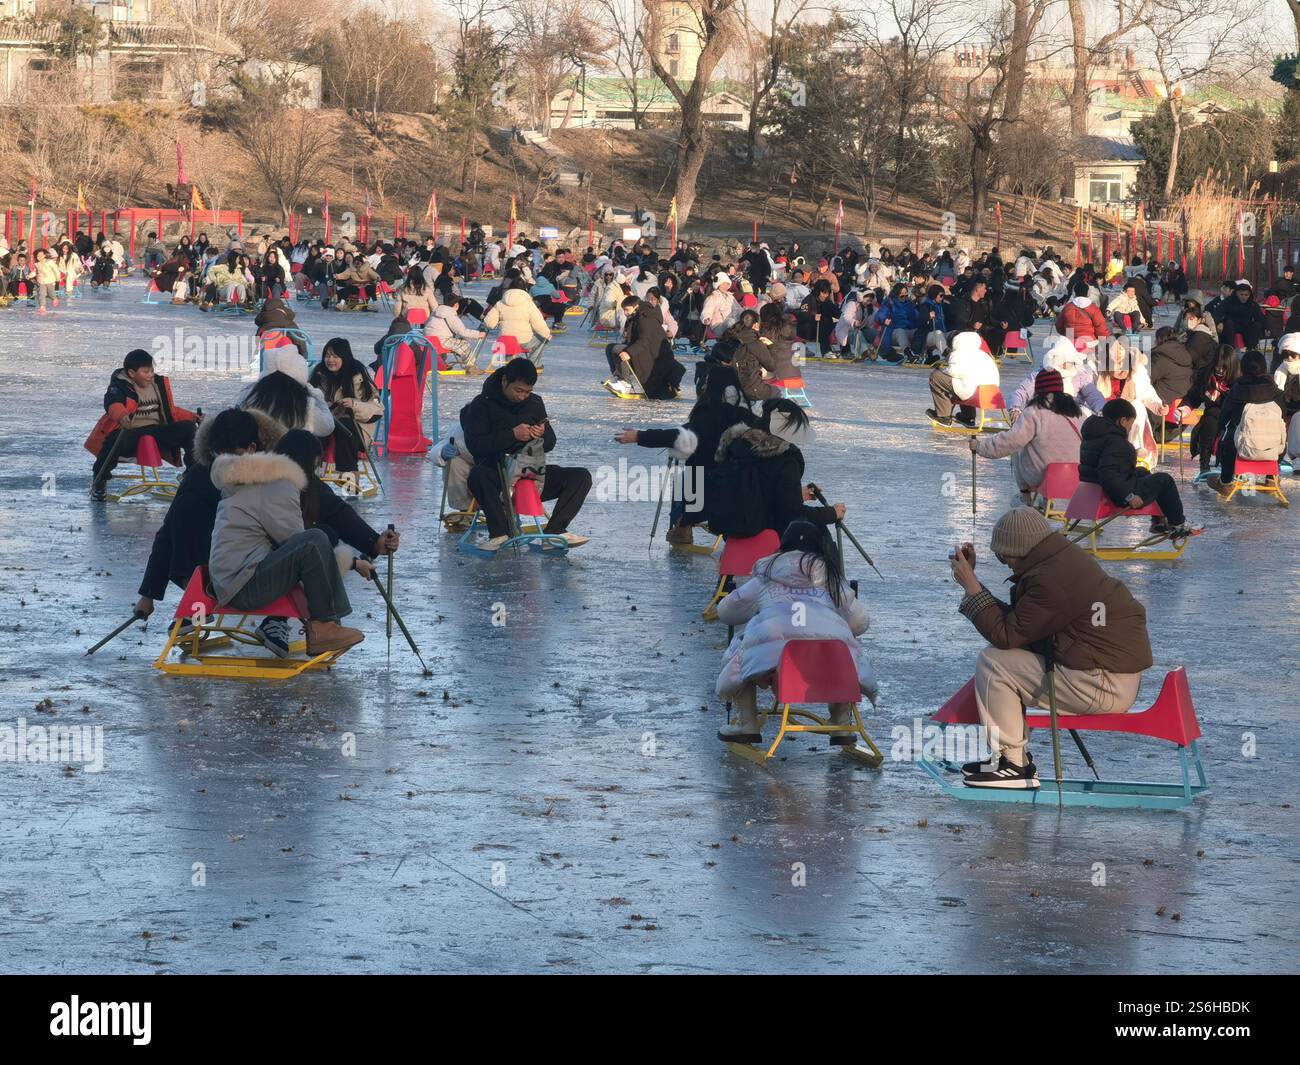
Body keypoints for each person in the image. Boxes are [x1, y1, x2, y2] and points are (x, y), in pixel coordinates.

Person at [948, 506, 1154, 789]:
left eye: (1002, 555)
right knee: (1003, 660)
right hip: (1107, 676)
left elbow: (1006, 635)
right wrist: (974, 584)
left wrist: (972, 589)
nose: (1003, 562)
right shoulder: (1060, 562)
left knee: (994, 662)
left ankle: (1012, 765)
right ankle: (1013, 760)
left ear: (1018, 549)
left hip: (1103, 685)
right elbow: (1024, 625)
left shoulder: (1051, 580)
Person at [715, 521, 877, 745]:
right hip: (829, 663)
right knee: (845, 646)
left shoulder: (766, 575)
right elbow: (860, 622)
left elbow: (726, 613)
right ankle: (841, 722)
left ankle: (747, 723)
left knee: (740, 650)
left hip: (776, 663)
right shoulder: (831, 580)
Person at [208, 430, 365, 655]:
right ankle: (324, 627)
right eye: (316, 464)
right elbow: (295, 540)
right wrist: (349, 561)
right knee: (314, 540)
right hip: (243, 586)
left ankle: (330, 625)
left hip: (234, 578)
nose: (318, 471)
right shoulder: (279, 486)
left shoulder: (260, 481)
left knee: (317, 537)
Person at [459, 358, 591, 551]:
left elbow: (550, 442)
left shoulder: (535, 403)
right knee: (478, 476)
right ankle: (500, 533)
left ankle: (555, 531)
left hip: (530, 474)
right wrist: (512, 435)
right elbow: (476, 445)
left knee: (580, 477)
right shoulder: (481, 405)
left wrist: (541, 434)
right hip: (496, 476)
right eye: (518, 390)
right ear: (505, 381)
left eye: (527, 392)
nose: (522, 396)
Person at [708, 400, 843, 536]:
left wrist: (796, 494)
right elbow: (791, 514)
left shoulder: (736, 447)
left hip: (732, 531)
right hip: (767, 536)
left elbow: (753, 494)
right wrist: (831, 513)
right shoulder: (786, 460)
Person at [86, 349, 198, 500]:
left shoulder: (158, 384)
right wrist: (122, 415)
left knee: (189, 429)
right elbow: (113, 403)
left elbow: (170, 411)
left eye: (152, 370)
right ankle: (99, 482)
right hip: (131, 432)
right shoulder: (119, 385)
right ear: (132, 373)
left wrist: (193, 417)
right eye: (146, 372)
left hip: (156, 432)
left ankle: (192, 475)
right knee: (112, 441)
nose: (151, 375)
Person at [1079, 398, 1193, 536]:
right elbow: (1108, 474)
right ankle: (1178, 523)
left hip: (1095, 487)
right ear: (1122, 421)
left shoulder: (1095, 435)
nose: (1130, 428)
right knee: (1164, 480)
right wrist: (1129, 496)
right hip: (1115, 494)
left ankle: (1159, 521)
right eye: (1130, 424)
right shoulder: (1116, 442)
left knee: (1142, 471)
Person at [972, 369, 1083, 505]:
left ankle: (1025, 498)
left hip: (1043, 478)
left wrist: (980, 447)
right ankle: (1047, 499)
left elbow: (1009, 442)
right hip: (1076, 477)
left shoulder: (1034, 412)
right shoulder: (1078, 413)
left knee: (1018, 447)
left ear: (1038, 389)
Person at [1205, 350, 1286, 496]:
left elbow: (1224, 416)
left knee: (1229, 438)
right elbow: (1283, 416)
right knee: (1278, 434)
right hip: (1273, 449)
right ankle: (1271, 478)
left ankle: (1225, 482)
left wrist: (1220, 429)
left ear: (1242, 369)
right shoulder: (1276, 392)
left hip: (1244, 447)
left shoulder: (1236, 391)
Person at [309, 339, 383, 494]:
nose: (330, 360)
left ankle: (348, 472)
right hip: (326, 425)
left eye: (335, 356)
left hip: (357, 430)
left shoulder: (359, 376)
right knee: (314, 430)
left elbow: (377, 409)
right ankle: (309, 470)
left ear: (344, 356)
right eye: (327, 355)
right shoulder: (318, 375)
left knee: (344, 425)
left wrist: (354, 404)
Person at [239, 347, 335, 438]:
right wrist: (318, 396)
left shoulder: (249, 395)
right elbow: (327, 427)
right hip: (290, 453)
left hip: (255, 452)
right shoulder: (304, 405)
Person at [604, 294, 685, 399]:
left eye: (627, 310)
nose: (625, 313)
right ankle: (619, 378)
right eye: (624, 310)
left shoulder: (646, 319)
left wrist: (628, 352)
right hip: (644, 351)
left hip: (652, 358)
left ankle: (625, 383)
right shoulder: (636, 317)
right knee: (610, 347)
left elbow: (645, 340)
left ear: (636, 307)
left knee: (618, 349)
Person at [1180, 344, 1241, 474]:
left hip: (1233, 418)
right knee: (1209, 422)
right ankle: (1204, 465)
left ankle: (1232, 467)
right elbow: (1193, 396)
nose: (1219, 370)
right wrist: (1185, 408)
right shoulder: (1206, 376)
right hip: (1213, 417)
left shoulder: (1238, 381)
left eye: (1224, 368)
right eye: (1217, 366)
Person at [927, 331, 999, 427]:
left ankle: (943, 415)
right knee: (964, 382)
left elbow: (954, 372)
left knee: (936, 376)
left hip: (973, 393)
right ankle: (968, 416)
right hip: (992, 393)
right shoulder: (984, 354)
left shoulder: (958, 354)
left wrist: (943, 370)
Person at [483, 273, 552, 367]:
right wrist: (547, 334)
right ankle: (533, 363)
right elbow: (539, 324)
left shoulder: (500, 302)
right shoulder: (528, 303)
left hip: (504, 342)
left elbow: (489, 323)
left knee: (509, 340)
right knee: (543, 337)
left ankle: (510, 361)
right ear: (525, 289)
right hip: (523, 342)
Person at [1054, 279, 1108, 346]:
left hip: (1070, 343)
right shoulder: (1093, 308)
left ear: (1075, 293)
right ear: (1088, 293)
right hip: (1089, 343)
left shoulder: (1067, 307)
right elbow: (1100, 327)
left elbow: (1059, 326)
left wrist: (1067, 335)